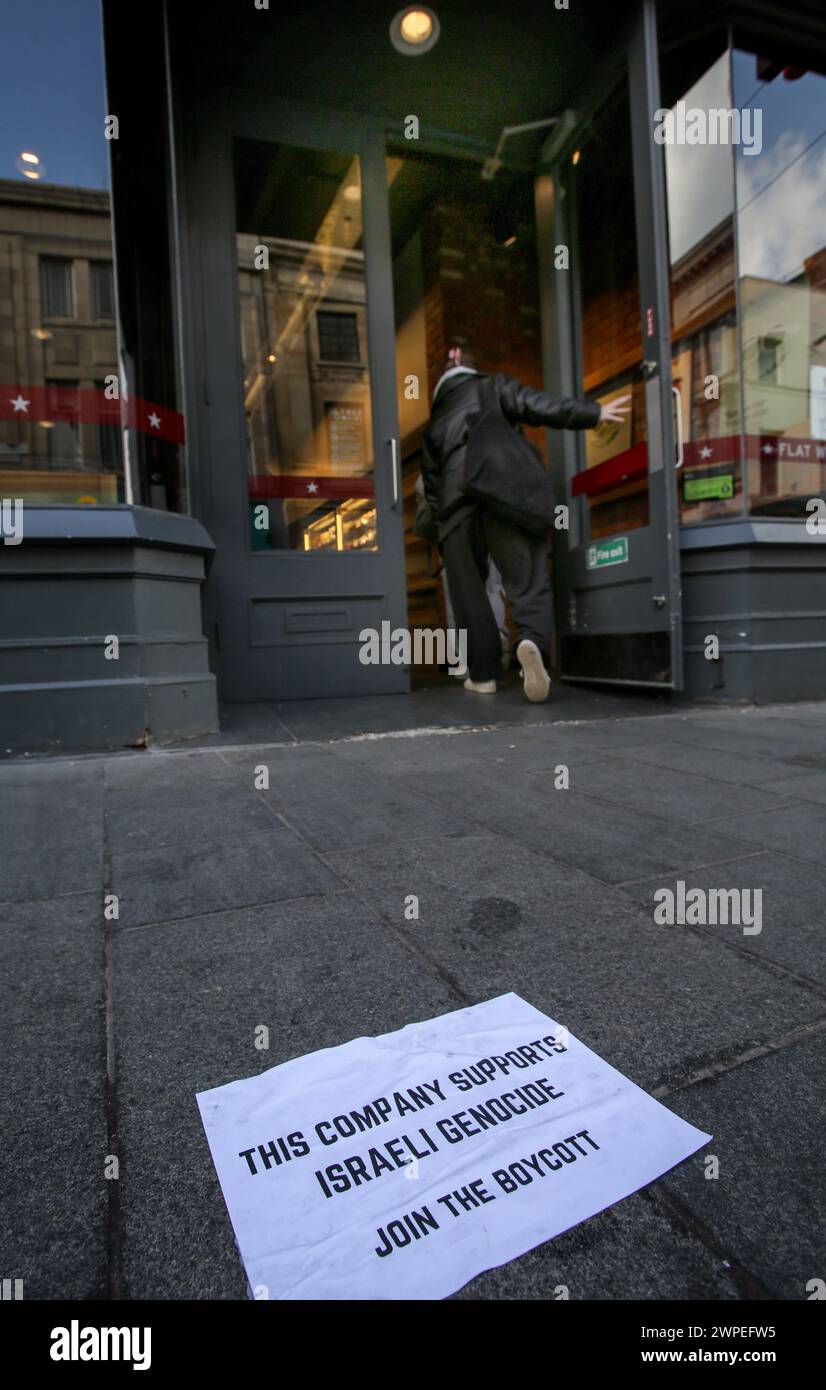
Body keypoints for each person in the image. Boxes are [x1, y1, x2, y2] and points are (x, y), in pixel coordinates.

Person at [420, 346, 630, 701]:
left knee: (469, 594)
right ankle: (531, 640)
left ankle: (483, 675)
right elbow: (537, 404)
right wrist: (592, 412)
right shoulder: (492, 387)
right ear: (471, 372)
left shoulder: (435, 421)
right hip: (502, 489)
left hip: (456, 506)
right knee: (527, 576)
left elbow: (431, 486)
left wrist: (445, 528)